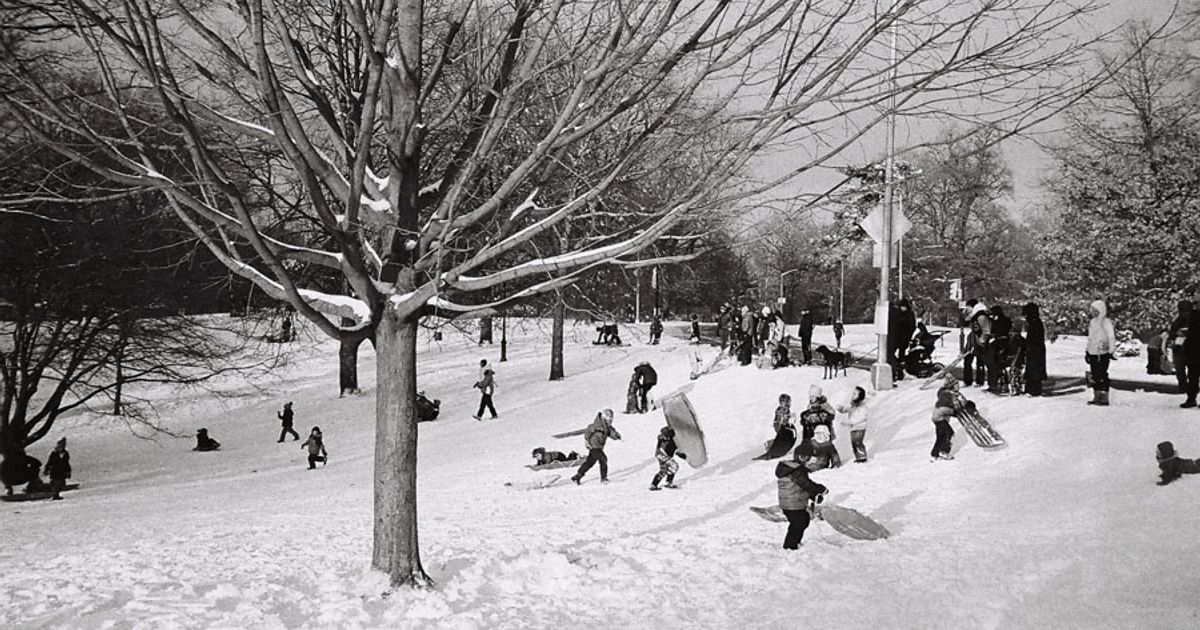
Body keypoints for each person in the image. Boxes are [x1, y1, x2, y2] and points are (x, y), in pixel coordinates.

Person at [775, 442, 828, 550]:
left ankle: (795, 543)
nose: (812, 463)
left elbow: (802, 488)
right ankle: (790, 546)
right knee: (798, 523)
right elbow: (807, 485)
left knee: (803, 521)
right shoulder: (796, 471)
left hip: (794, 503)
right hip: (792, 504)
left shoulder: (796, 470)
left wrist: (813, 496)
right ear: (802, 458)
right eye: (810, 460)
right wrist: (819, 489)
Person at [571, 409, 622, 485]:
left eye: (611, 419)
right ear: (604, 418)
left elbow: (612, 434)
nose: (610, 421)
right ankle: (604, 478)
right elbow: (587, 433)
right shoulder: (595, 426)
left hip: (598, 447)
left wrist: (617, 436)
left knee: (590, 462)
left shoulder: (607, 428)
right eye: (609, 419)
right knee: (603, 459)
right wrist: (587, 442)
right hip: (594, 447)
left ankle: (577, 476)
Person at [1085, 299, 1117, 407]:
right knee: (1094, 375)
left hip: (1103, 352)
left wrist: (1111, 350)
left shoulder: (1105, 321)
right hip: (1093, 352)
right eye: (1092, 310)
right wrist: (1088, 351)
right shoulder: (1092, 322)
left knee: (1102, 374)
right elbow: (1090, 338)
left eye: (1095, 310)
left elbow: (1111, 336)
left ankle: (1104, 397)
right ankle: (1096, 395)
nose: (1093, 312)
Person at [962, 300, 992, 388]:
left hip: (979, 342)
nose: (967, 310)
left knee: (980, 361)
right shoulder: (974, 316)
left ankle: (980, 381)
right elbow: (967, 323)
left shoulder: (981, 316)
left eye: (968, 307)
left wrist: (981, 341)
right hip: (972, 341)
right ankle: (967, 380)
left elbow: (986, 330)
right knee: (967, 360)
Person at [837, 386, 870, 463]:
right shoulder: (852, 405)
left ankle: (862, 457)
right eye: (853, 393)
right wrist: (841, 409)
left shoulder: (862, 407)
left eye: (855, 394)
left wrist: (852, 422)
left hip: (860, 427)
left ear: (860, 396)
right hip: (853, 427)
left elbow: (863, 417)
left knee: (858, 442)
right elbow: (846, 409)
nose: (852, 395)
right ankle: (858, 457)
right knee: (854, 443)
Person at [931, 375, 958, 461]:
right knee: (949, 434)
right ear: (952, 386)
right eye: (956, 385)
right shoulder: (947, 395)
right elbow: (943, 408)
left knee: (940, 437)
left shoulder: (944, 394)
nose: (958, 387)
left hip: (937, 417)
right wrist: (953, 412)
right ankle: (944, 452)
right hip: (940, 418)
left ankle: (935, 454)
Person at [1021, 303, 1046, 396]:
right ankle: (1031, 389)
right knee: (1033, 369)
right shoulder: (1035, 322)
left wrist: (1026, 344)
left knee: (1034, 370)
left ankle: (1034, 390)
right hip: (1035, 350)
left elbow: (1034, 339)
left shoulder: (1035, 323)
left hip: (1035, 350)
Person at [649, 426, 685, 491]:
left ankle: (654, 485)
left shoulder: (670, 440)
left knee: (663, 470)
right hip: (662, 455)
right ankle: (668, 482)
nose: (667, 438)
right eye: (667, 436)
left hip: (660, 455)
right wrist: (680, 454)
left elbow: (674, 449)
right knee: (674, 466)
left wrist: (680, 454)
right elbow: (672, 448)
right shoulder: (664, 440)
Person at [1169, 300, 1193, 395]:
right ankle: (1184, 387)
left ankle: (1189, 387)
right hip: (1180, 348)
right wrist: (1175, 335)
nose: (1184, 313)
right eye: (1183, 311)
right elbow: (1172, 332)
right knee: (1180, 369)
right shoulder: (1178, 321)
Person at [1181, 294, 1200, 408]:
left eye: (1197, 303)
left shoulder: (1193, 316)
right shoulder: (1192, 315)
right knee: (1193, 376)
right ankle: (1191, 398)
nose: (1195, 305)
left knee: (1193, 375)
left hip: (1194, 348)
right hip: (1193, 350)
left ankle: (1191, 398)